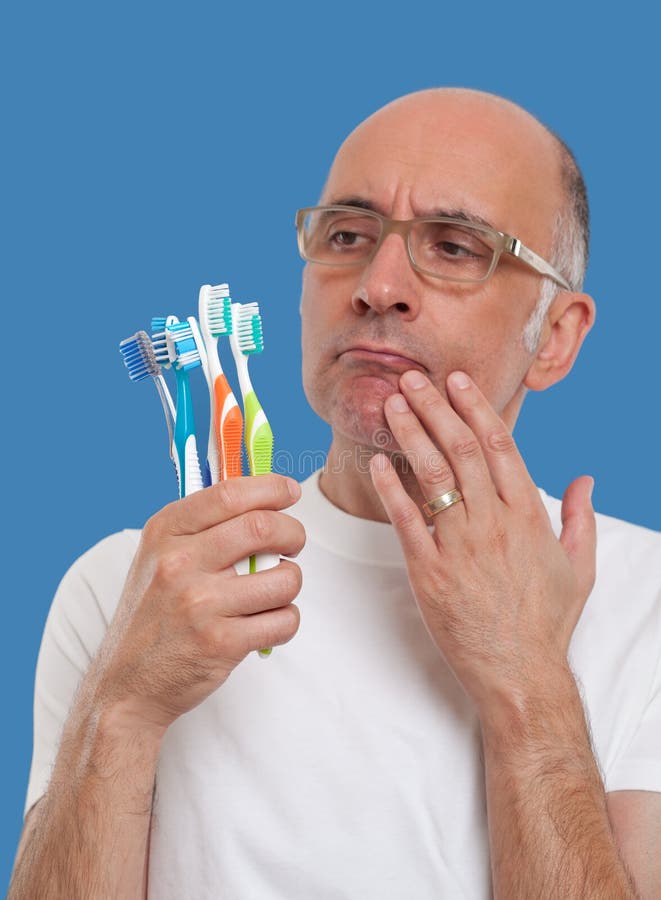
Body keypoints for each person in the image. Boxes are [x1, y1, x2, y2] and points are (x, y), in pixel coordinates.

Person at [9, 88, 661, 899]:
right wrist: (123, 708)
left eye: (455, 247)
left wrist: (526, 677)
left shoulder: (647, 605)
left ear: (554, 336)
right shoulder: (136, 586)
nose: (378, 285)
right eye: (346, 236)